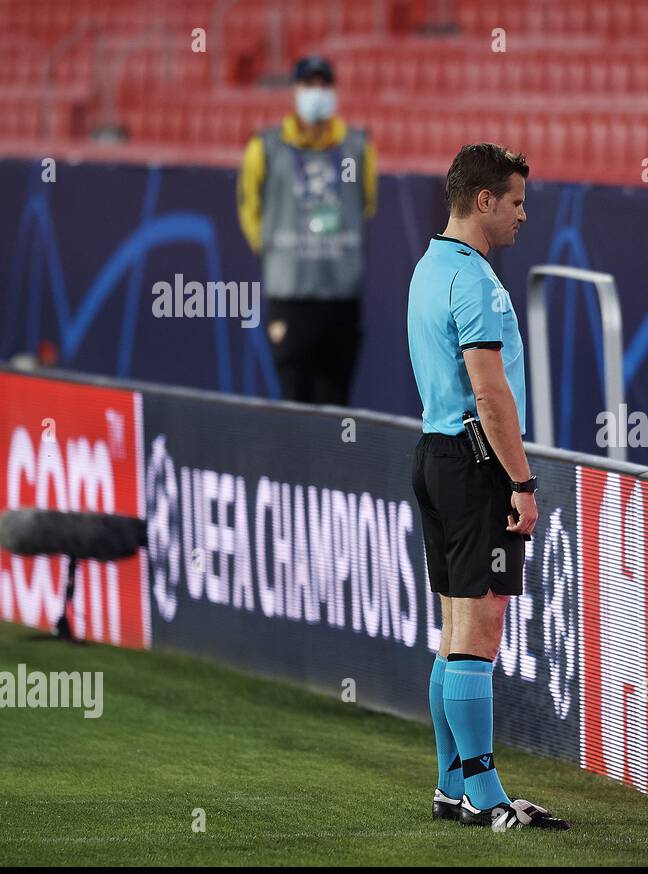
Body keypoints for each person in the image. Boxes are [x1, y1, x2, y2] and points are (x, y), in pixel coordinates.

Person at [407, 143, 568, 831]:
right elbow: (490, 392)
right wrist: (521, 482)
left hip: (437, 455)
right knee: (481, 624)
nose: (524, 216)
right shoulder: (475, 281)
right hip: (477, 469)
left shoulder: (429, 267)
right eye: (517, 201)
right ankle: (483, 789)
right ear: (484, 200)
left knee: (452, 629)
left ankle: (451, 785)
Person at [236, 55, 377, 405]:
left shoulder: (357, 147)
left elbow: (367, 203)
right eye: (308, 84)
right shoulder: (265, 146)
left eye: (323, 84)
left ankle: (333, 462)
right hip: (291, 296)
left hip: (341, 295)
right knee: (294, 403)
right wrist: (275, 250)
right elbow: (249, 209)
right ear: (295, 90)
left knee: (337, 402)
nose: (316, 92)